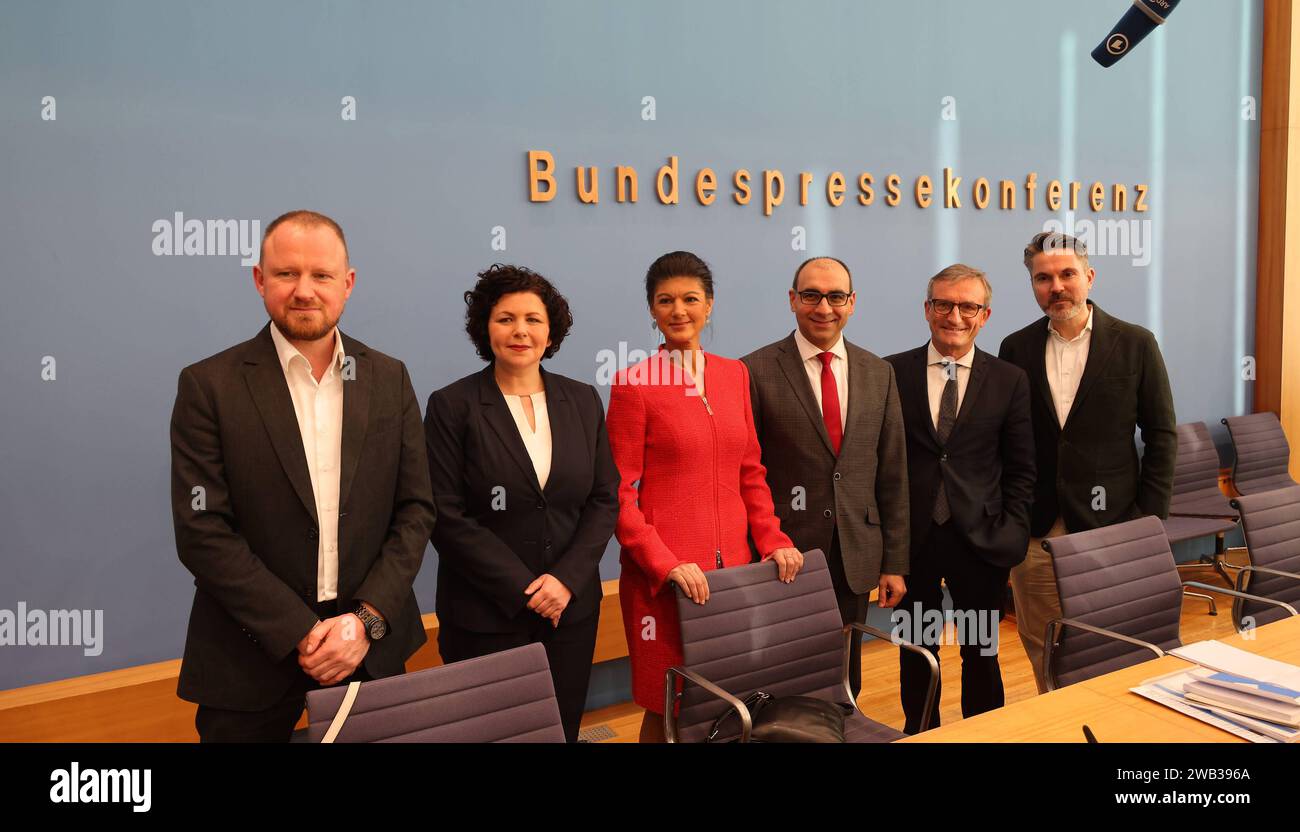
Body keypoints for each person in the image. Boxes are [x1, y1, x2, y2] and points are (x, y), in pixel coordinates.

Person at [170, 210, 437, 742]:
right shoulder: (209, 385)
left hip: (369, 646)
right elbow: (203, 531)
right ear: (259, 279)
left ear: (348, 283)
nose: (304, 290)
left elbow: (415, 511)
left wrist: (364, 622)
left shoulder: (389, 377)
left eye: (321, 275)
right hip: (246, 654)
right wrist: (301, 633)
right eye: (287, 273)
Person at [606, 251, 802, 743]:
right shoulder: (634, 384)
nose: (678, 310)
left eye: (690, 299)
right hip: (668, 579)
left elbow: (751, 472)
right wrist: (664, 562)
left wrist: (774, 540)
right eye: (665, 300)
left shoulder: (734, 374)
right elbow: (618, 494)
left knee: (729, 699)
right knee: (669, 703)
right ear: (651, 309)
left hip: (734, 573)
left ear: (709, 306)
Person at [424, 265, 619, 743]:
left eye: (532, 319)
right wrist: (525, 589)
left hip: (570, 612)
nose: (520, 331)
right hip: (486, 616)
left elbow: (603, 499)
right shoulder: (453, 406)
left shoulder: (582, 400)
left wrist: (565, 582)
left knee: (562, 730)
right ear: (484, 328)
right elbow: (445, 515)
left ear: (550, 329)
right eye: (505, 318)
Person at [999, 231, 1176, 693]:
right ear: (1033, 285)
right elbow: (1006, 443)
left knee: (1117, 643)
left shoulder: (1135, 343)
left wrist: (1148, 521)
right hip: (1037, 530)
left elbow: (1161, 436)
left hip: (1112, 525)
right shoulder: (1014, 349)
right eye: (1043, 278)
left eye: (1067, 274)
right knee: (1045, 644)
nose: (1056, 286)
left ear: (1089, 277)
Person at [742, 256, 909, 702]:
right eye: (811, 295)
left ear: (852, 303)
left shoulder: (879, 372)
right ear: (793, 300)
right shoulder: (754, 371)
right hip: (784, 552)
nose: (824, 307)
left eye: (836, 296)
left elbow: (892, 473)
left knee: (845, 675)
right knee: (784, 675)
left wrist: (894, 561)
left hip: (856, 551)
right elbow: (747, 471)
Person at [884, 264, 1035, 733]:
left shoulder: (1009, 379)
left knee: (981, 654)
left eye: (967, 306)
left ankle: (982, 733)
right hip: (915, 541)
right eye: (944, 304)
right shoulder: (891, 372)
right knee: (917, 653)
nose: (955, 316)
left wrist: (1010, 531)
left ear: (984, 314)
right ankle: (921, 731)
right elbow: (882, 463)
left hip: (981, 541)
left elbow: (1022, 467)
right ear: (927, 310)